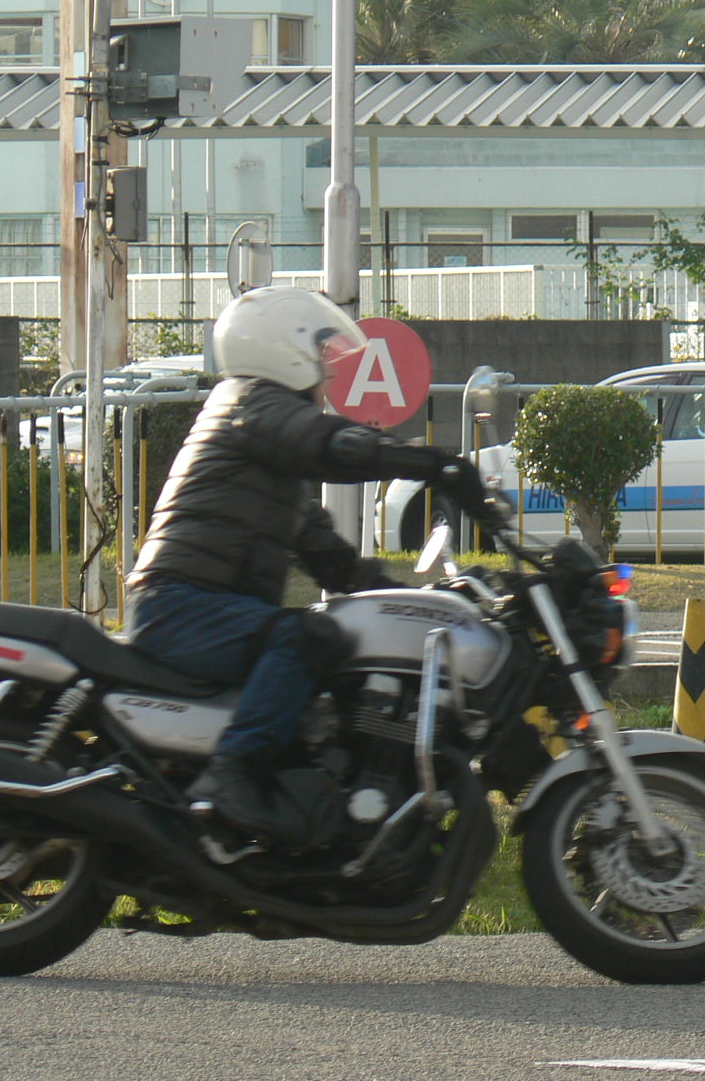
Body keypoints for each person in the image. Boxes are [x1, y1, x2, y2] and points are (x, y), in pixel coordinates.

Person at [126, 285, 505, 845]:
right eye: (321, 356)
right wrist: (433, 465)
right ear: (283, 347)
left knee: (336, 638)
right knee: (308, 637)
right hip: (180, 605)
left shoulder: (261, 442)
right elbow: (331, 445)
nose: (328, 377)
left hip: (194, 604)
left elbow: (326, 554)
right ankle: (232, 775)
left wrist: (404, 597)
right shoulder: (250, 404)